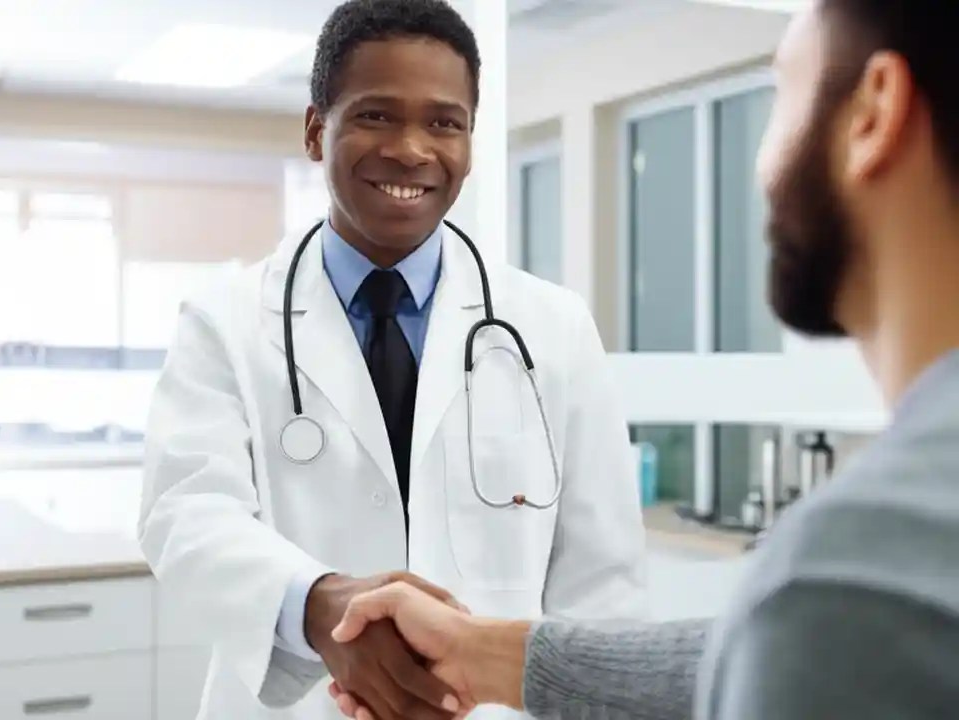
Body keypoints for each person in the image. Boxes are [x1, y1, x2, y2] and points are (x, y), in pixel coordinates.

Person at [327, 2, 959, 718]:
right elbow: (768, 653)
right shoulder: (865, 590)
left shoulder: (851, 578)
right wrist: (487, 654)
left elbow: (812, 642)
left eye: (782, 89)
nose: (760, 164)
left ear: (874, 113)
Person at [137, 1, 648, 719]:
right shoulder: (224, 320)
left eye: (445, 122)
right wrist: (319, 607)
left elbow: (604, 585)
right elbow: (185, 514)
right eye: (376, 115)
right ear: (316, 131)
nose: (412, 150)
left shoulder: (552, 327)